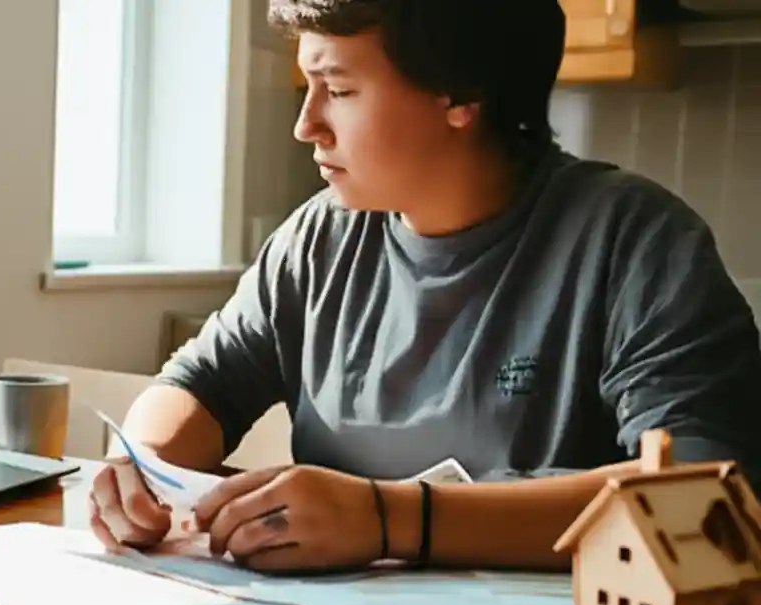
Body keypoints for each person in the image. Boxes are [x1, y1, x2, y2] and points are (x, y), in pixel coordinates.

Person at [88, 0, 761, 574]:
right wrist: (141, 467)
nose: (306, 124)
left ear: (462, 94)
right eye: (309, 87)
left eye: (340, 90)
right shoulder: (318, 240)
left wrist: (391, 518)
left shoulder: (634, 241)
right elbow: (201, 384)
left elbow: (704, 497)